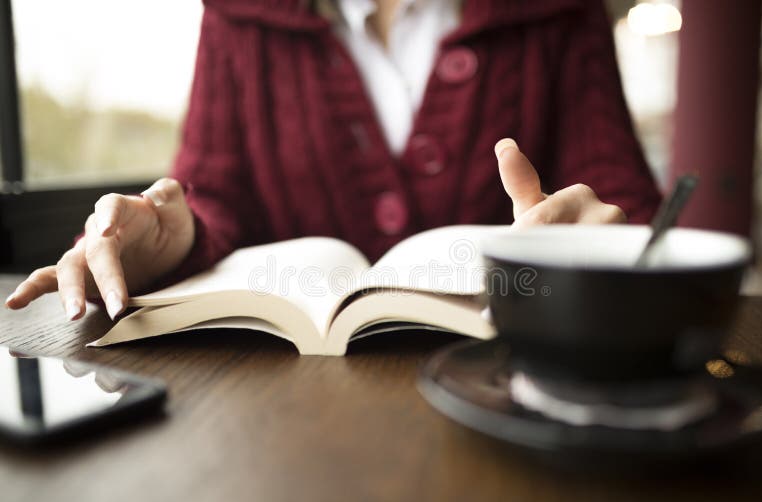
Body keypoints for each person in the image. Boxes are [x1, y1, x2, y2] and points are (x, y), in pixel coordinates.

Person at [5, 0, 661, 321]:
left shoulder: (562, 11)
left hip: (511, 381)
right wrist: (166, 239)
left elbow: (625, 202)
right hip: (290, 403)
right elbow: (209, 196)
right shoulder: (240, 14)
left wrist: (604, 238)